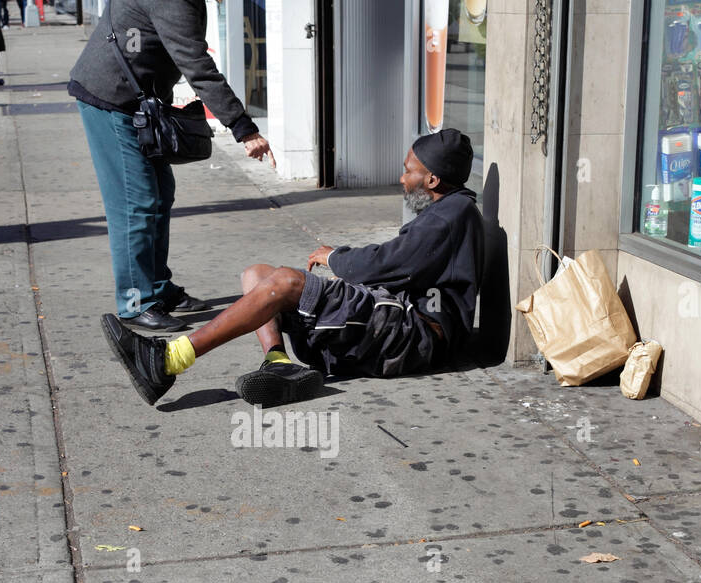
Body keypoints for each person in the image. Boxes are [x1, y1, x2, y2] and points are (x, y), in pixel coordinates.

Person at [102, 130, 484, 408]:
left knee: (285, 281)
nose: (402, 179)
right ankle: (278, 363)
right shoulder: (447, 210)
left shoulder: (453, 214)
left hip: (413, 335)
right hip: (394, 320)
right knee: (257, 275)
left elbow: (387, 262)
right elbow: (398, 262)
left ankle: (168, 360)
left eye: (409, 171)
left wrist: (336, 258)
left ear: (432, 179)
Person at [69, 0, 275, 332]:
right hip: (111, 99)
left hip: (134, 101)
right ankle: (136, 302)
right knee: (136, 204)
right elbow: (196, 64)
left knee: (160, 194)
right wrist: (243, 127)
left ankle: (158, 288)